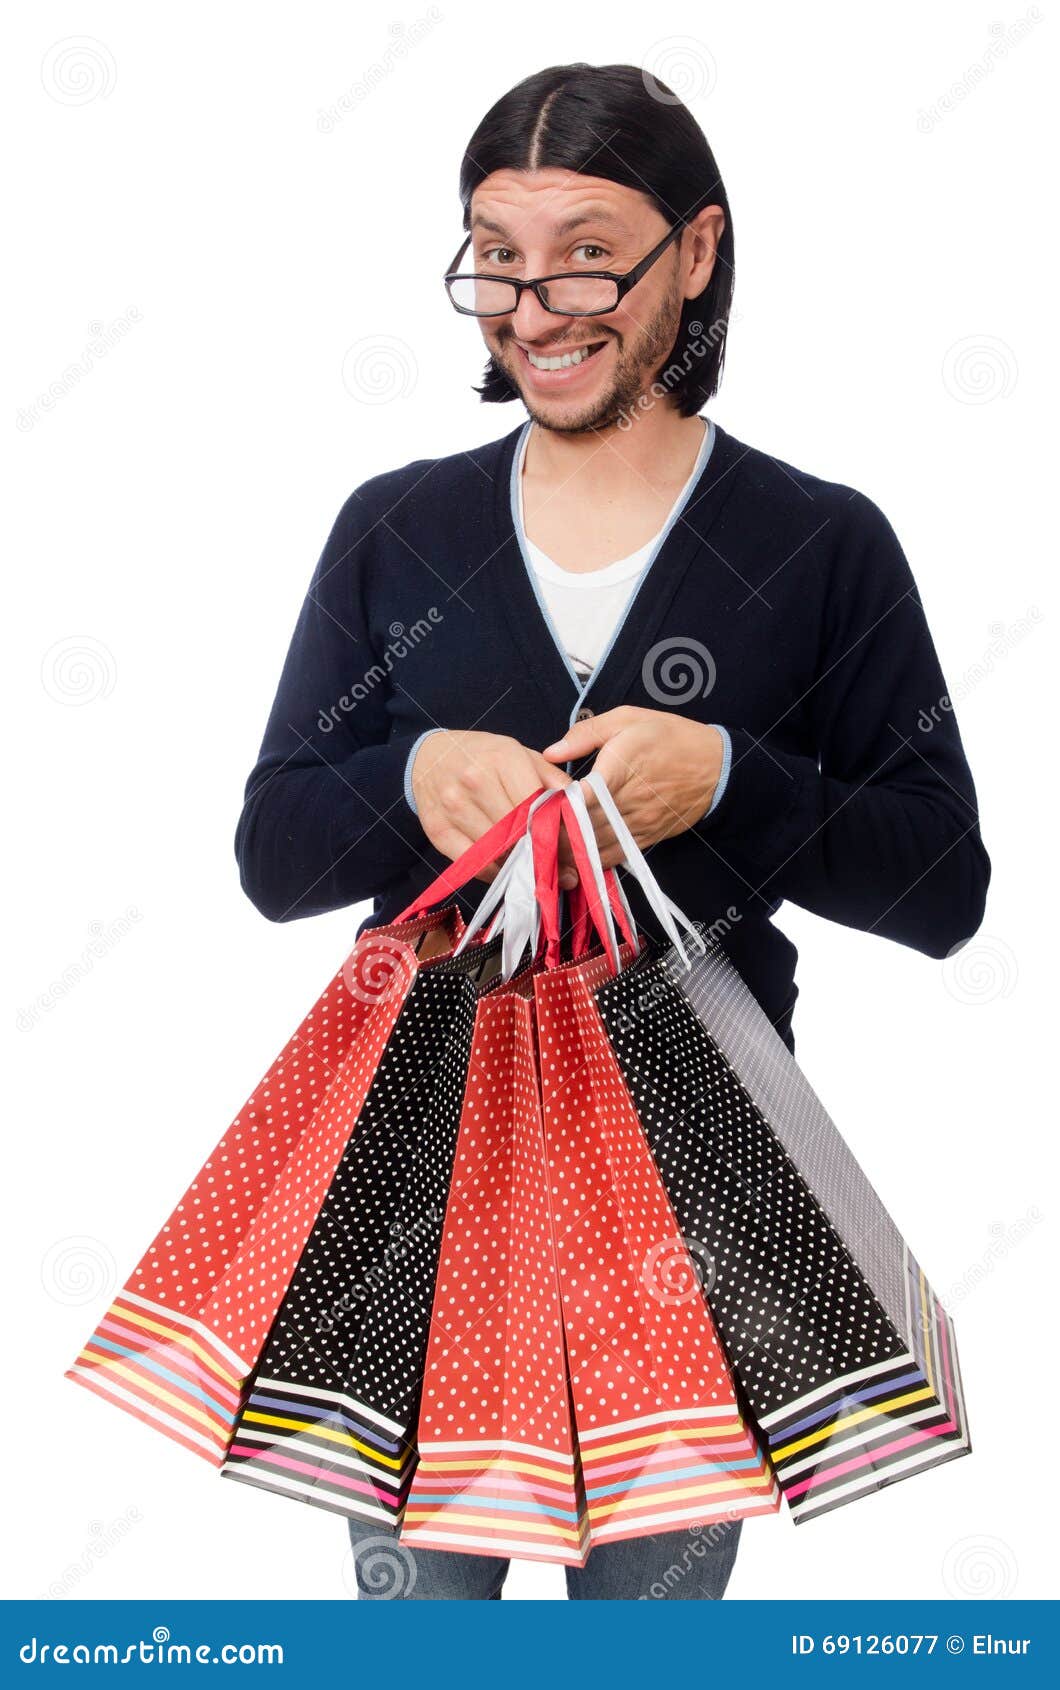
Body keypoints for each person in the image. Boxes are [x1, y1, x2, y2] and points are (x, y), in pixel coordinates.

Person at [234, 63, 990, 1600]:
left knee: (649, 1642)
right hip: (423, 1188)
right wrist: (410, 770)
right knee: (416, 1636)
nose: (535, 303)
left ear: (696, 252)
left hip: (698, 1192)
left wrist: (732, 777)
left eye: (588, 248)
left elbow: (942, 885)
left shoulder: (818, 543)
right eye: (496, 255)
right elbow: (271, 855)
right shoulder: (397, 529)